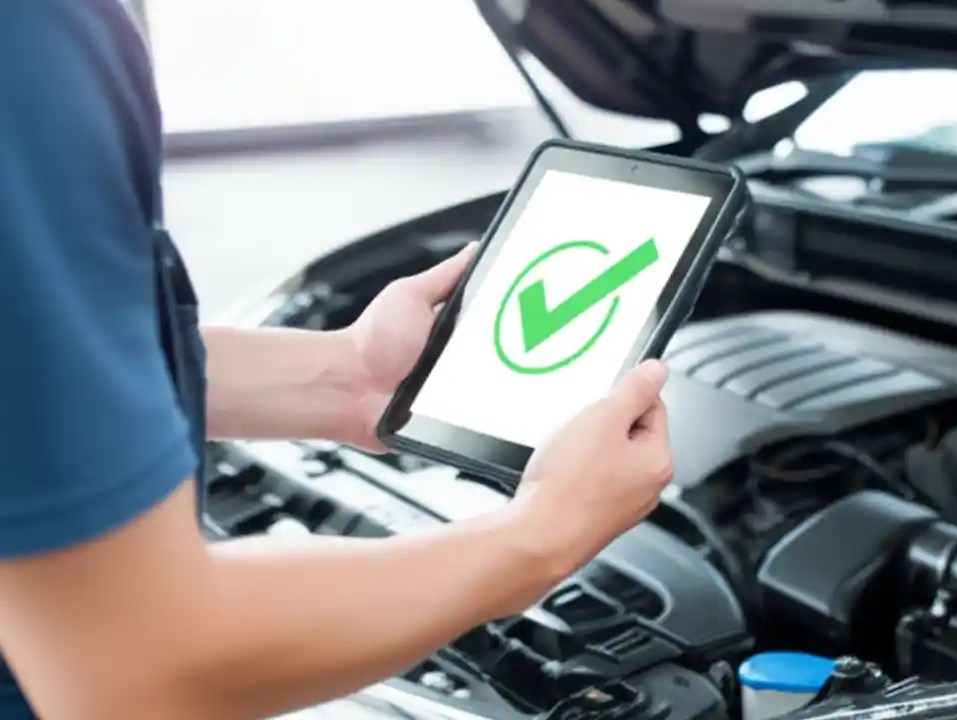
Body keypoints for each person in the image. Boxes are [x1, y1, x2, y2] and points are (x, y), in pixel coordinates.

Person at [0, 2, 675, 718]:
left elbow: (46, 356)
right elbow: (143, 668)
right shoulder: (33, 38)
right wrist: (536, 540)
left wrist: (349, 378)